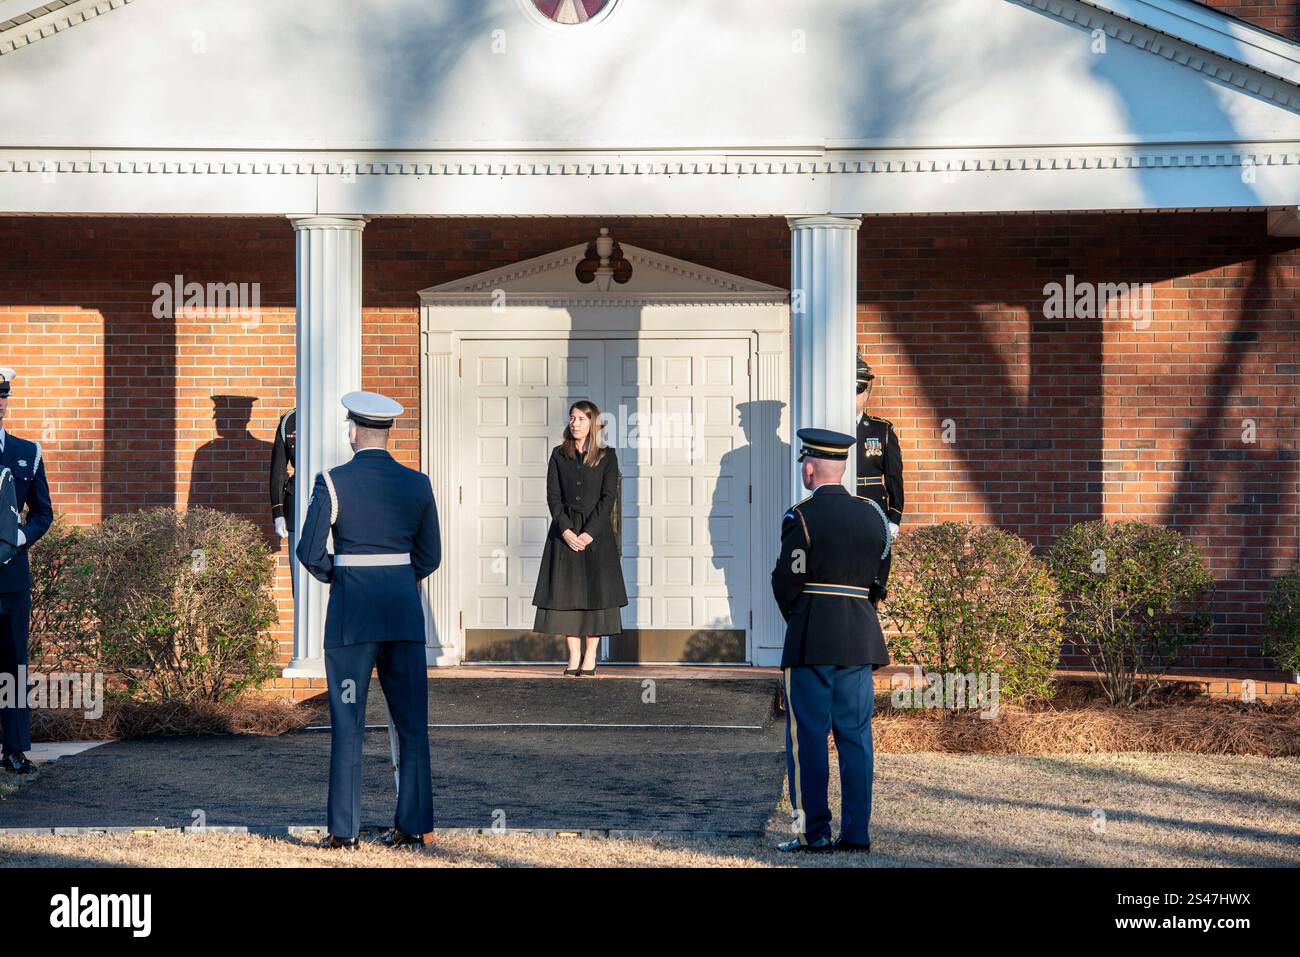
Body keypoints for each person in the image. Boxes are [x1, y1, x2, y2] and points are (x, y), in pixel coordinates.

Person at [296, 391, 441, 849]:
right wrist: (395, 578)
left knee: (348, 723)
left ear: (353, 431)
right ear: (386, 431)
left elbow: (309, 551)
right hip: (402, 616)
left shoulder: (332, 481)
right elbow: (430, 556)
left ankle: (344, 834)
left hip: (351, 620)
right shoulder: (418, 483)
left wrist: (343, 575)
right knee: (412, 724)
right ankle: (413, 827)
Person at [771, 428, 890, 853]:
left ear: (809, 466)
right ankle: (856, 833)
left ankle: (813, 832)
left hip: (811, 640)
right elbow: (879, 580)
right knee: (855, 737)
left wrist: (800, 617)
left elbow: (787, 580)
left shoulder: (799, 516)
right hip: (859, 639)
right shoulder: (874, 516)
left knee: (809, 739)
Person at [532, 400, 627, 676]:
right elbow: (553, 497)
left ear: (593, 424)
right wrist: (566, 530)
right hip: (564, 534)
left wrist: (588, 533)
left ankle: (591, 657)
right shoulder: (558, 454)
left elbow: (608, 498)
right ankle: (573, 656)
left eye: (581, 419)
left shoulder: (608, 457)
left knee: (596, 594)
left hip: (596, 534)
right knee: (567, 595)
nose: (575, 423)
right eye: (572, 418)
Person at [0, 368, 54, 775]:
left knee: (13, 664)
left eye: (3, 395)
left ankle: (14, 749)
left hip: (11, 577)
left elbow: (43, 512)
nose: (0, 402)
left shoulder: (25, 451)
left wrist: (20, 537)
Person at [855, 355, 903, 604]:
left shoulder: (881, 430)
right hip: (842, 506)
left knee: (874, 577)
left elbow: (894, 477)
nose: (853, 395)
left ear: (867, 394)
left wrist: (894, 517)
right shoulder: (830, 426)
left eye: (858, 389)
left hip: (873, 508)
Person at [269, 407, 297, 596]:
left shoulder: (340, 415)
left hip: (335, 505)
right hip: (297, 505)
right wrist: (278, 512)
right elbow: (278, 471)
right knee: (299, 574)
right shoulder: (290, 420)